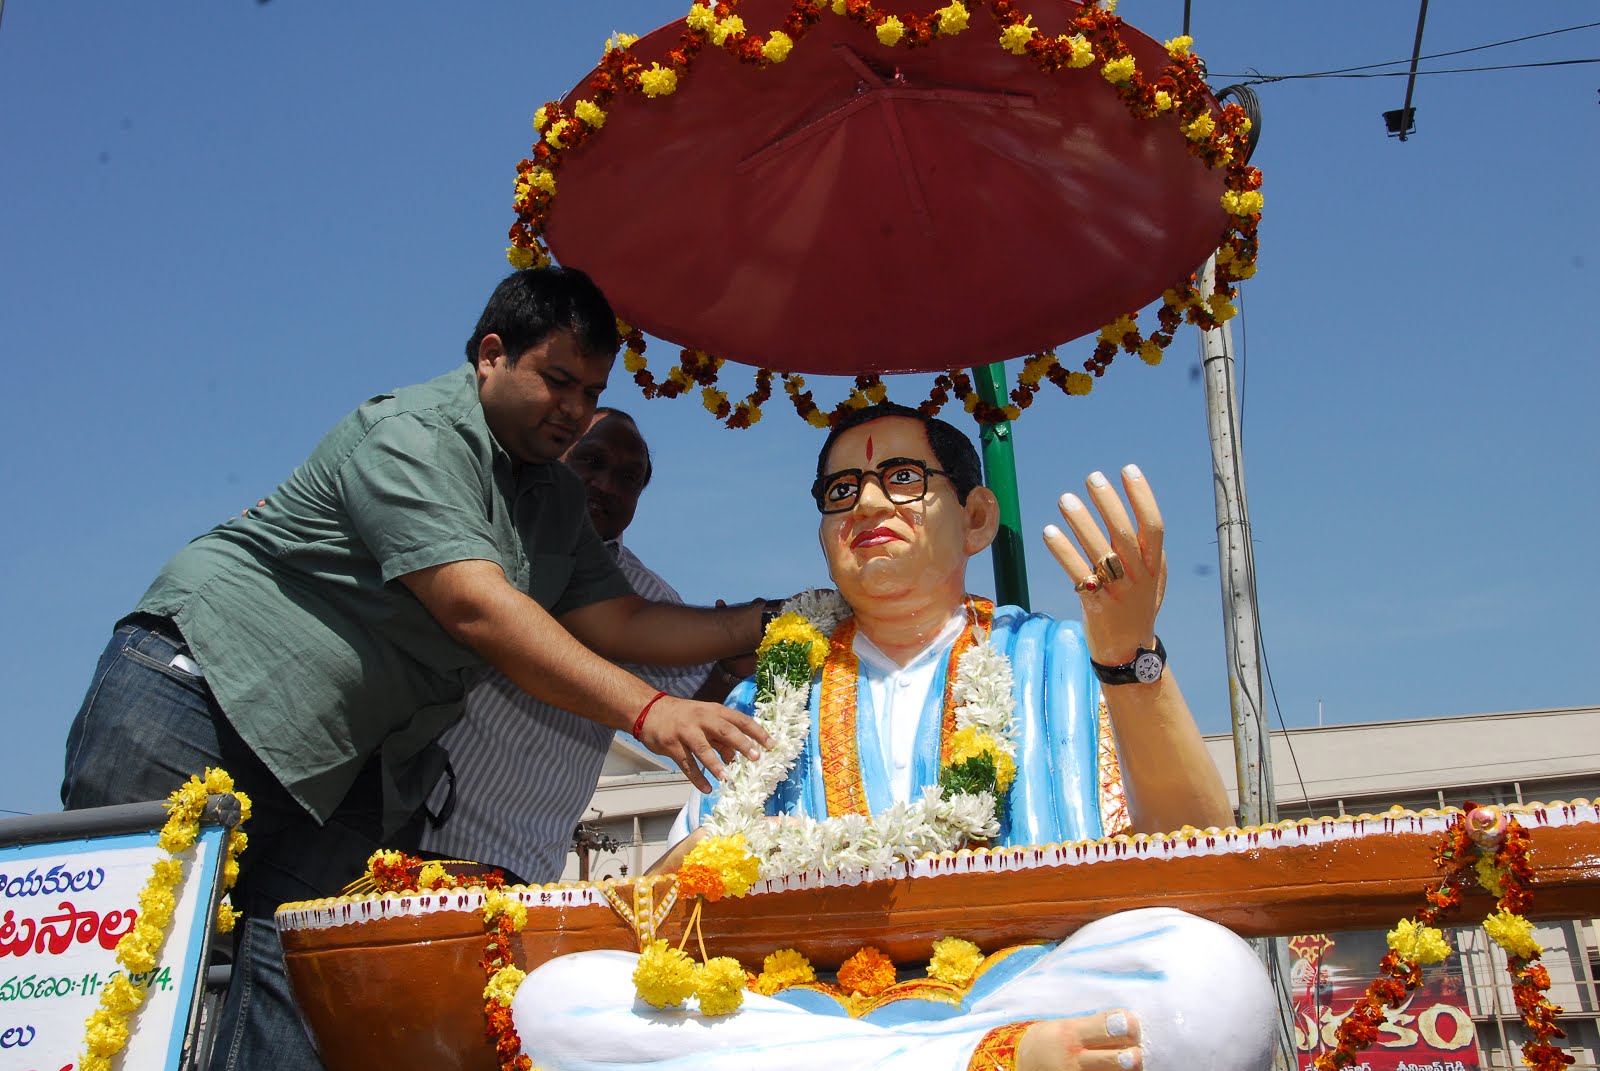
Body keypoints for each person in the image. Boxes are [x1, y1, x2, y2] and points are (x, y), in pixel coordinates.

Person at [59, 267, 772, 1071]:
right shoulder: (416, 433)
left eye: (591, 389)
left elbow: (624, 622)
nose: (574, 411)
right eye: (558, 380)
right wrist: (650, 712)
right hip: (198, 696)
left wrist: (765, 618)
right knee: (120, 987)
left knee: (304, 1005)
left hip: (340, 774)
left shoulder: (552, 501)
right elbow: (476, 605)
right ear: (491, 355)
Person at [511, 403, 1277, 1071]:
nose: (868, 502)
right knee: (555, 1005)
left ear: (977, 518)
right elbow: (669, 902)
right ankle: (972, 1061)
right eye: (841, 490)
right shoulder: (769, 693)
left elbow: (1198, 847)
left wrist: (1127, 652)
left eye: (903, 478)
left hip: (1029, 982)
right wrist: (708, 859)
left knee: (1212, 985)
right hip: (797, 1003)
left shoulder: (1059, 659)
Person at [415, 406, 748, 884]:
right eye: (591, 462)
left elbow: (695, 716)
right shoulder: (484, 538)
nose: (607, 485)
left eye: (629, 478)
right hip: (413, 828)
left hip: (524, 861)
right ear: (555, 457)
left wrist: (732, 667)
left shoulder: (649, 600)